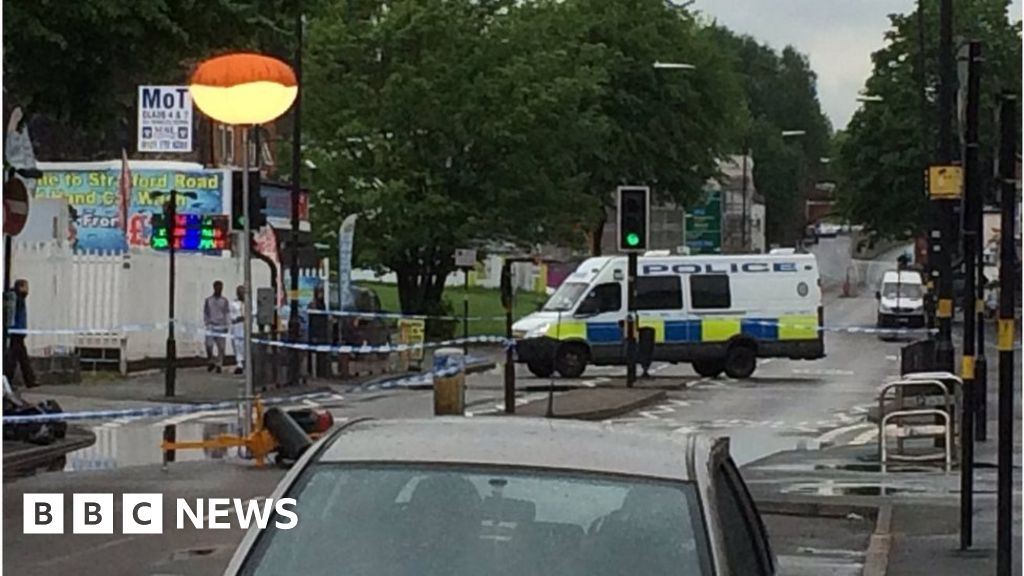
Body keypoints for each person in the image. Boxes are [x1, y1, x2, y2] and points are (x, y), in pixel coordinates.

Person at [5, 279, 37, 388]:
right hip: (15, 332)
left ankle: (29, 380)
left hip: (19, 332)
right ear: (20, 287)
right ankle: (9, 381)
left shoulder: (20, 299)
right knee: (14, 359)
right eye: (26, 287)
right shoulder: (16, 299)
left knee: (21, 359)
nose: (28, 290)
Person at [204, 281, 231, 373]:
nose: (219, 290)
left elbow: (226, 313)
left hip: (221, 325)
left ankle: (219, 364)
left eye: (221, 288)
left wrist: (227, 324)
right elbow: (206, 312)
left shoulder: (224, 301)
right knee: (209, 345)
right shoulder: (209, 300)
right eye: (217, 287)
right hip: (211, 325)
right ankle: (211, 360)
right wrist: (206, 323)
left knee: (221, 347)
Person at [230, 285, 248, 375]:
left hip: (247, 328)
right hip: (237, 327)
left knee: (246, 346)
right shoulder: (234, 303)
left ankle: (246, 362)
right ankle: (239, 364)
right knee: (237, 346)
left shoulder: (250, 303)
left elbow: (254, 313)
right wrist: (237, 318)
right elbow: (231, 315)